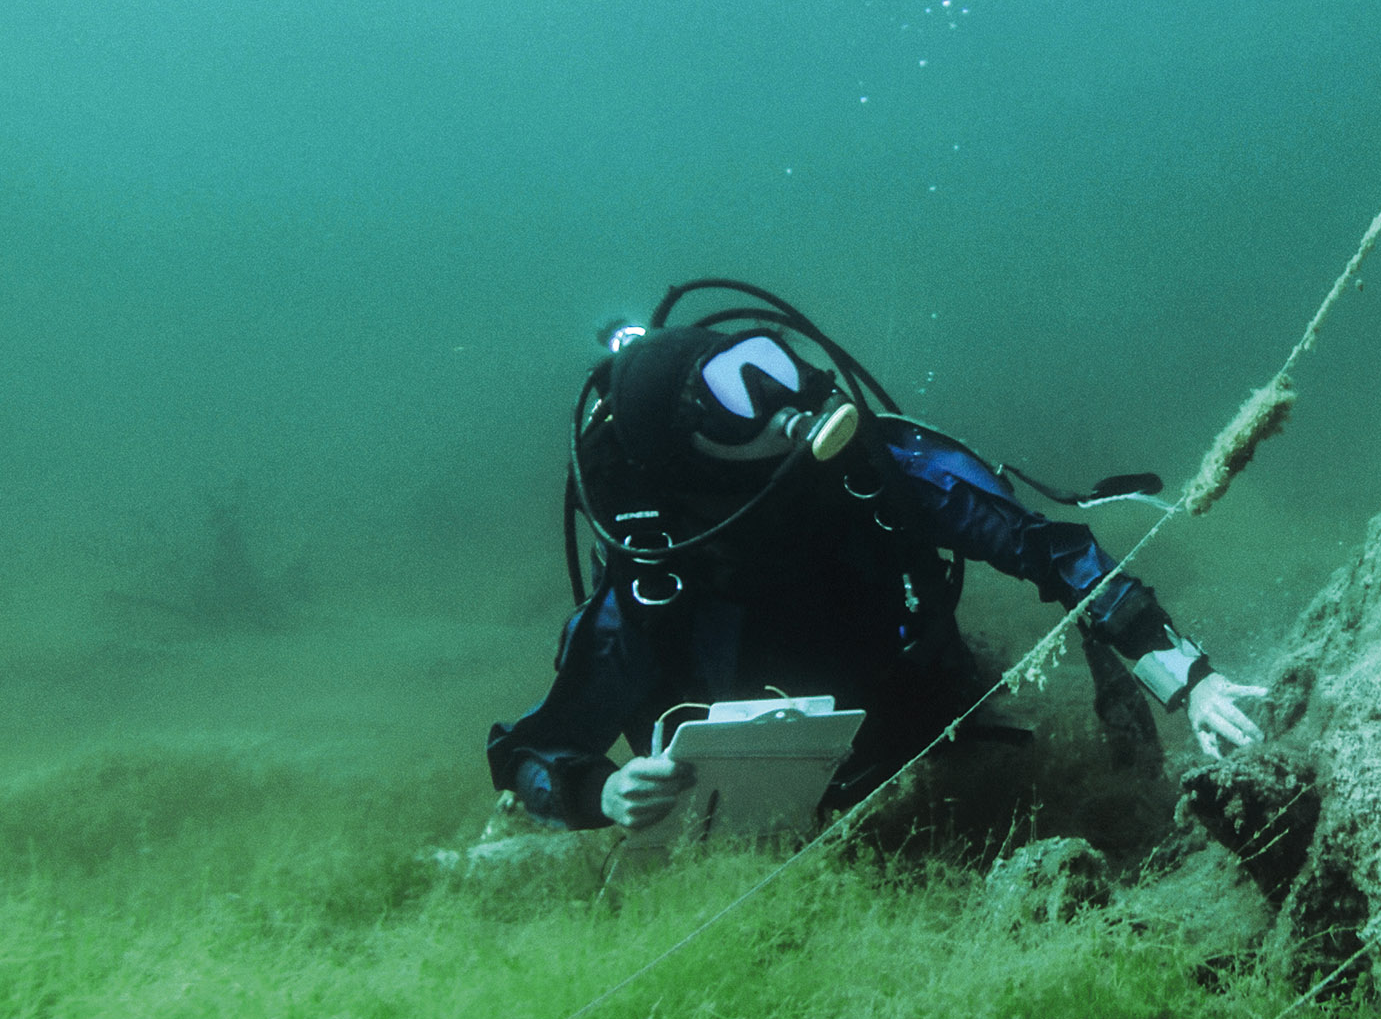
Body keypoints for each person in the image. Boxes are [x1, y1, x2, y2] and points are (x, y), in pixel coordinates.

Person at [487, 279, 1266, 838]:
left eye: (769, 363)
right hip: (767, 811)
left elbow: (1053, 551)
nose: (779, 395)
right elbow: (528, 752)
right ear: (684, 453)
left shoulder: (877, 468)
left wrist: (1190, 681)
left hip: (923, 708)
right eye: (732, 392)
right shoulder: (655, 579)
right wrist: (605, 791)